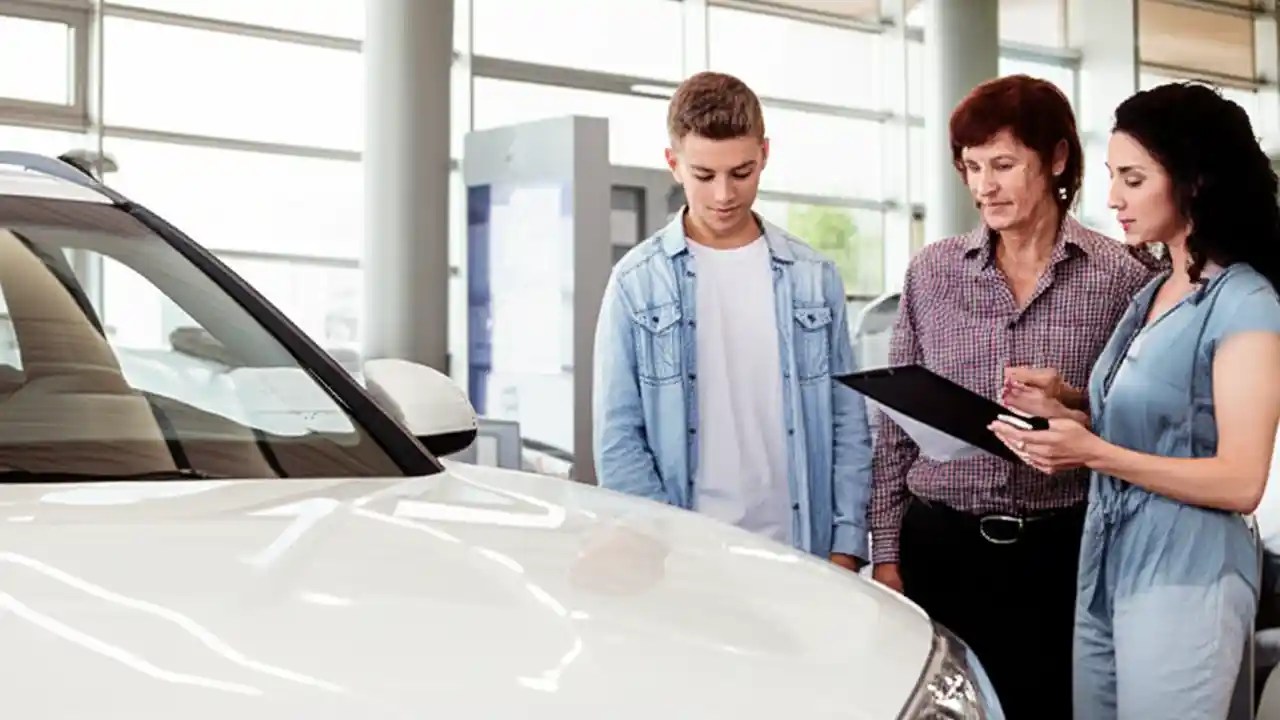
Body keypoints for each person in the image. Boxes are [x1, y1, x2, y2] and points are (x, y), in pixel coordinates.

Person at [866, 74, 1154, 719]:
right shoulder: (932, 271)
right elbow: (892, 429)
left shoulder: (1124, 277)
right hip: (940, 549)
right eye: (971, 167)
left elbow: (1145, 422)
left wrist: (1076, 408)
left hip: (1064, 552)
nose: (983, 187)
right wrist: (886, 553)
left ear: (1055, 159)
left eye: (1002, 165)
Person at [992, 81, 1280, 720]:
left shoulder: (1246, 302)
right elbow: (1151, 426)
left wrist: (1093, 452)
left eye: (1133, 178)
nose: (1112, 197)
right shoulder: (1150, 295)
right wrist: (1065, 409)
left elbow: (1241, 480)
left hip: (1188, 577)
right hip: (1108, 568)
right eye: (1114, 176)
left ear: (1193, 181)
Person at [592, 71, 874, 570]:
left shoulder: (814, 277)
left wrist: (847, 545)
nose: (724, 194)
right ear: (673, 164)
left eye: (741, 173)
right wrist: (660, 545)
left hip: (802, 551)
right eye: (704, 175)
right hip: (685, 555)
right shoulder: (636, 282)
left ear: (764, 154)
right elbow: (619, 438)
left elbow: (846, 421)